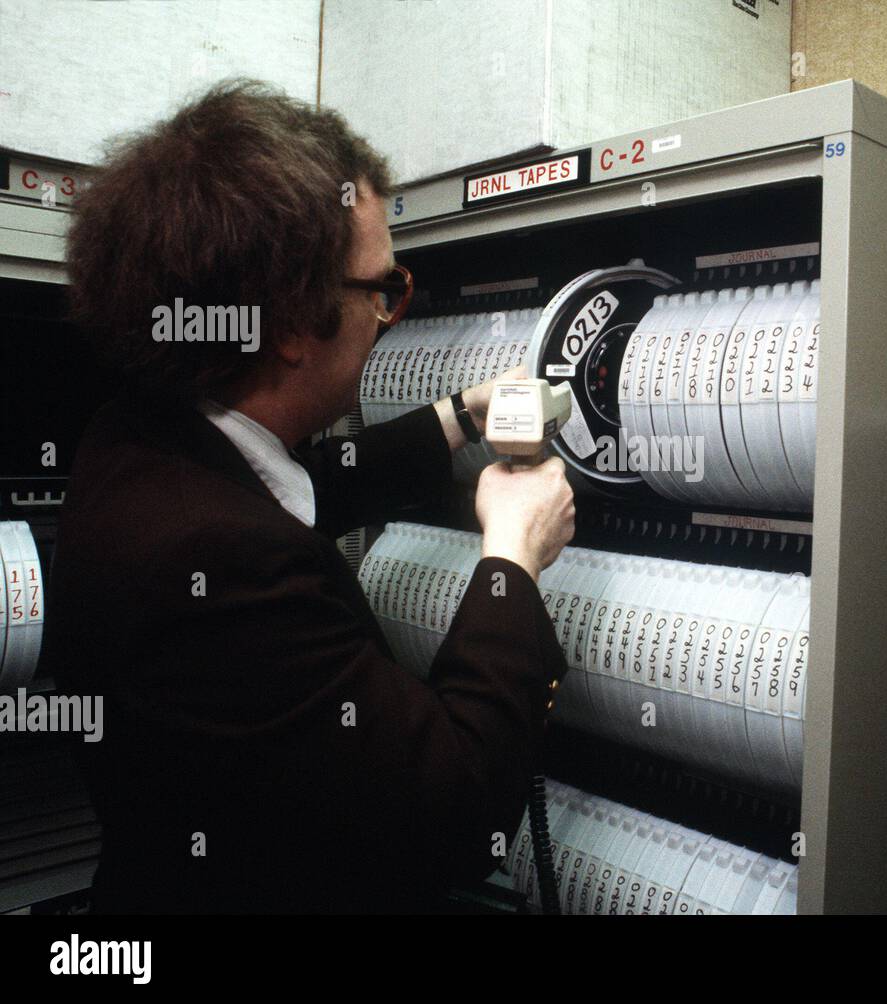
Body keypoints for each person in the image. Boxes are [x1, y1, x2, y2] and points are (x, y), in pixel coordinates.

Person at [43, 79, 574, 913]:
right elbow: (457, 813)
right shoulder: (221, 562)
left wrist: (459, 418)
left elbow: (289, 490)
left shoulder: (135, 443)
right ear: (291, 327)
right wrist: (513, 556)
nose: (388, 314)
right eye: (383, 289)